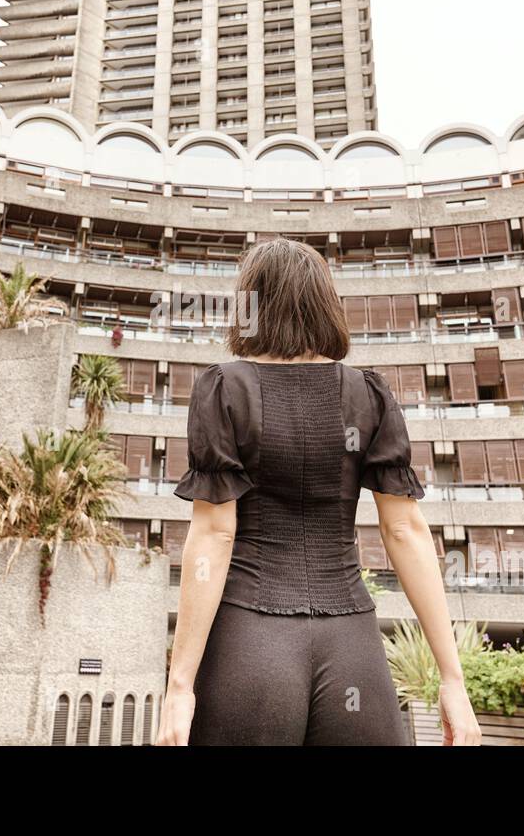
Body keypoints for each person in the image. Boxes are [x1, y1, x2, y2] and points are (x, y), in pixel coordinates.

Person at [157, 237, 480, 746]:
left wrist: (180, 686)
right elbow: (405, 531)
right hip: (352, 648)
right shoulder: (368, 393)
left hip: (249, 645)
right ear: (324, 304)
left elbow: (214, 537)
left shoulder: (222, 388)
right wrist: (452, 679)